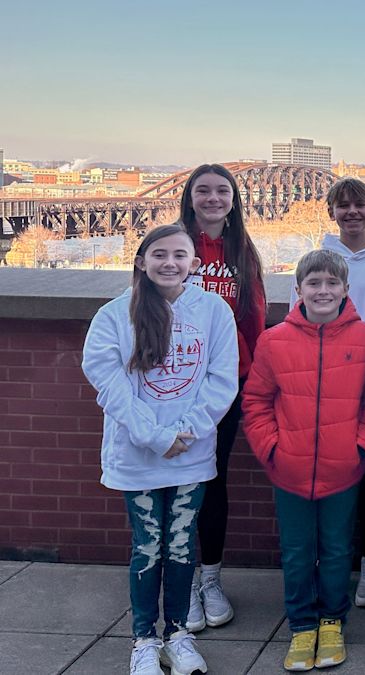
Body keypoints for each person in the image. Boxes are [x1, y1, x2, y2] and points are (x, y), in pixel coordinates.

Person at [82, 224, 238, 675]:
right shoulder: (114, 315)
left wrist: (186, 432)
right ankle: (144, 640)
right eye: (159, 254)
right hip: (138, 456)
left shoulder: (213, 311)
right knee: (148, 545)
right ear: (141, 261)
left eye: (179, 255)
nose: (170, 263)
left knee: (182, 543)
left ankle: (178, 635)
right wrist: (155, 436)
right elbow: (109, 386)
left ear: (194, 263)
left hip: (191, 453)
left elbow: (222, 379)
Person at [243, 249, 365, 671]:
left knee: (338, 550)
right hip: (290, 470)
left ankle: (332, 622)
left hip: (343, 470)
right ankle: (302, 626)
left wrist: (361, 448)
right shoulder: (274, 341)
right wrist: (272, 450)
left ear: (346, 289)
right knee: (297, 552)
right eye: (314, 283)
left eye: (332, 283)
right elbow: (256, 402)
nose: (323, 290)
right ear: (299, 289)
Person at [289, 177, 365, 608]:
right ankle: (325, 563)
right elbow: (298, 323)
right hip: (325, 383)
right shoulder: (315, 261)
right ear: (332, 212)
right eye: (343, 205)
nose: (352, 212)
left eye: (360, 204)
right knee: (327, 476)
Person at [179, 163, 266, 631]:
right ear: (189, 197)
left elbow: (253, 317)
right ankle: (182, 582)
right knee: (177, 483)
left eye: (222, 191)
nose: (213, 198)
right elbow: (143, 308)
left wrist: (251, 378)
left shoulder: (242, 251)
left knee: (213, 479)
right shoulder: (172, 243)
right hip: (174, 385)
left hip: (226, 385)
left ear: (233, 200)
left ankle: (210, 579)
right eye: (203, 190)